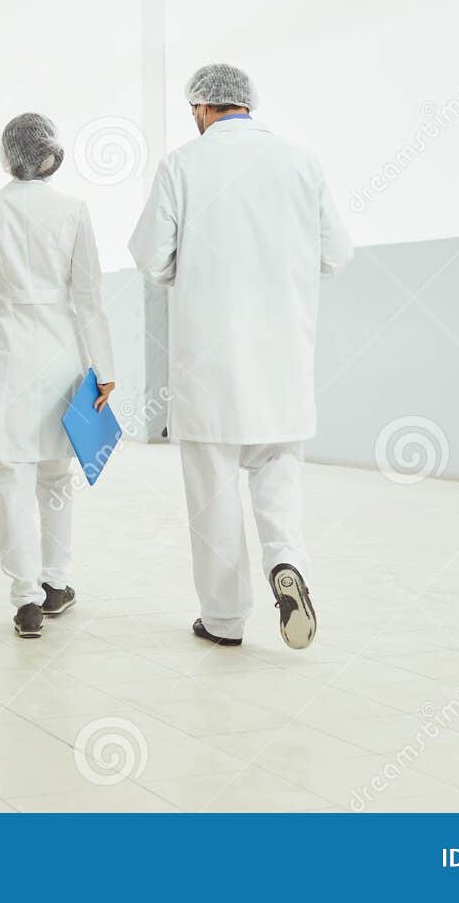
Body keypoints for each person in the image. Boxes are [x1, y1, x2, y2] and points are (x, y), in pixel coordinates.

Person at [129, 64, 352, 650]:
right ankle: (288, 564)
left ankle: (224, 620)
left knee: (213, 491)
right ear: (246, 104)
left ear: (202, 108)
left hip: (209, 364)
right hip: (282, 360)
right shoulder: (302, 162)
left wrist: (189, 267)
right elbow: (337, 254)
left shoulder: (182, 163)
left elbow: (151, 256)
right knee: (278, 473)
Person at [0, 113, 116, 639]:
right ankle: (56, 583)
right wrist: (105, 368)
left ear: (7, 155)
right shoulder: (74, 210)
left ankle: (23, 599)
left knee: (12, 479)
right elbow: (89, 297)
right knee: (56, 478)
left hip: (7, 355)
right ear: (51, 155)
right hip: (62, 354)